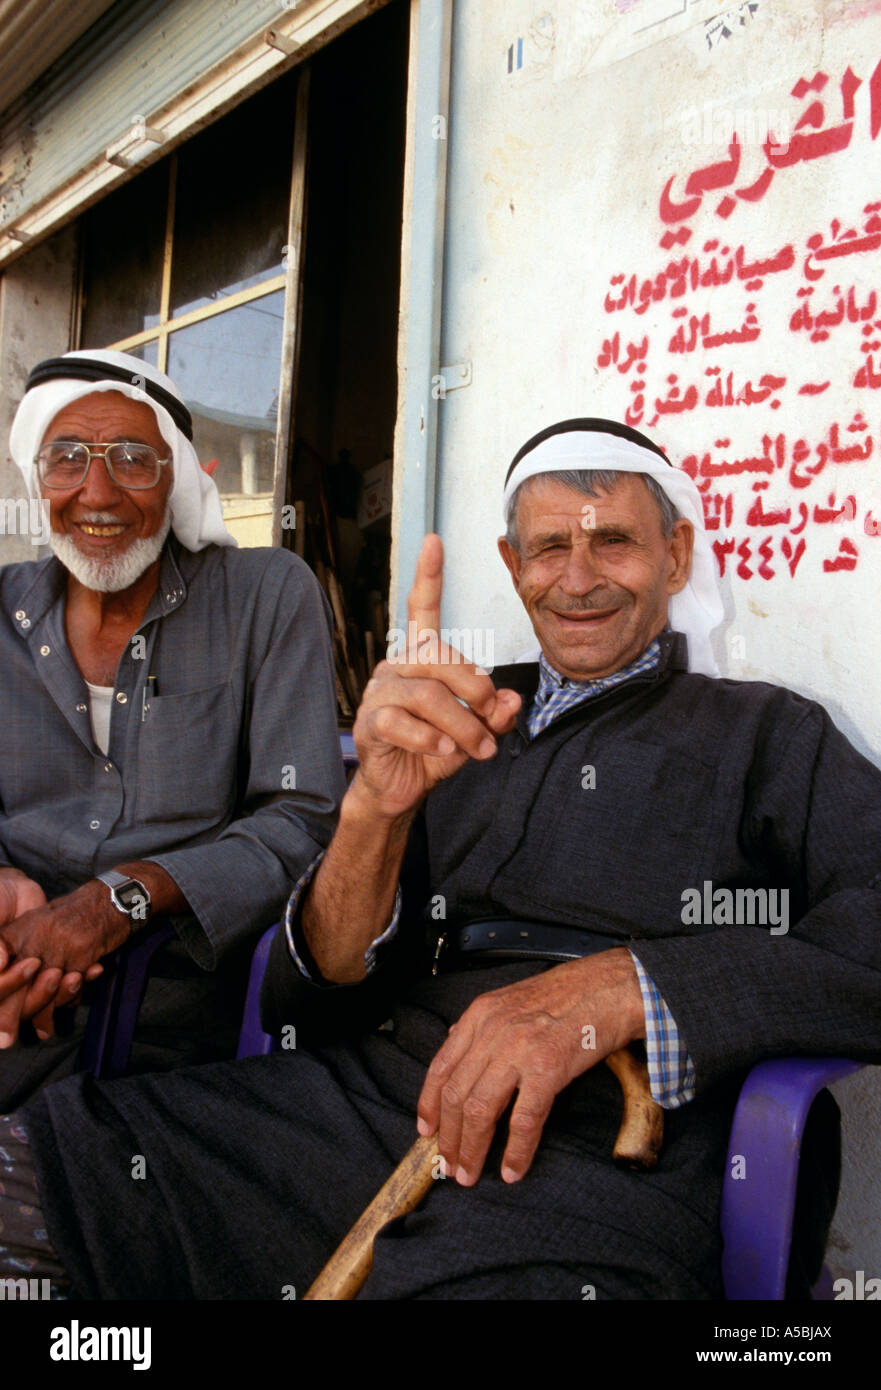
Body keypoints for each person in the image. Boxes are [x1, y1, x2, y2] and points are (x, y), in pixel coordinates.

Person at [2, 417, 879, 1299]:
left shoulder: (766, 733)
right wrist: (375, 811)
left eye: (612, 541)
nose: (576, 580)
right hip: (365, 1099)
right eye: (546, 550)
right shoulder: (450, 714)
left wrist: (627, 989)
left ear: (676, 556)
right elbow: (313, 992)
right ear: (511, 566)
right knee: (41, 1175)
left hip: (601, 1149)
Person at [0, 349, 344, 1112]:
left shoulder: (265, 595)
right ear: (36, 475)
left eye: (132, 460)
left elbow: (304, 818)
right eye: (66, 459)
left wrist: (117, 901)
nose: (97, 493)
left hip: (169, 1007)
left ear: (179, 476)